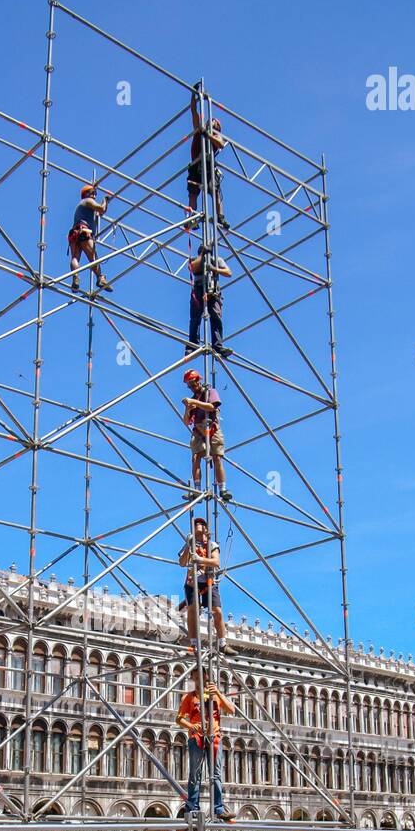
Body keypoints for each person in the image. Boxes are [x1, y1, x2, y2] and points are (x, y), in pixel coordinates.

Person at [176, 667, 236, 822]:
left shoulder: (215, 696)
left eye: (201, 677)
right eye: (195, 677)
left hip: (214, 736)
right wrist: (190, 726)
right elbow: (179, 718)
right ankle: (193, 807)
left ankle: (218, 808)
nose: (198, 680)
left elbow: (231, 710)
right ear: (193, 678)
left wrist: (218, 693)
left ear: (206, 676)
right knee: (195, 774)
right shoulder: (189, 697)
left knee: (215, 774)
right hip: (196, 737)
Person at [178, 515, 227, 652]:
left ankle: (222, 642)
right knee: (192, 610)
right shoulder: (190, 544)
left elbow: (216, 562)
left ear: (206, 529)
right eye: (196, 524)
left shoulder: (211, 544)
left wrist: (199, 559)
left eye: (201, 523)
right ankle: (193, 643)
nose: (198, 525)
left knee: (217, 610)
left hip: (209, 580)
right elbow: (182, 562)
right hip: (192, 581)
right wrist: (189, 545)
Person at [181, 368, 230, 502]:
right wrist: (188, 409)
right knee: (196, 457)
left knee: (217, 457)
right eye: (189, 385)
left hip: (212, 428)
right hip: (198, 430)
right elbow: (186, 422)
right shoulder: (193, 399)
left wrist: (195, 403)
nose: (191, 387)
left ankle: (223, 489)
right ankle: (197, 489)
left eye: (193, 384)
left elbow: (212, 407)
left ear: (198, 381)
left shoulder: (210, 392)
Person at [187, 85, 228, 230]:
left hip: (209, 167)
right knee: (193, 193)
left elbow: (221, 144)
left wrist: (209, 135)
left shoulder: (216, 138)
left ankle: (221, 218)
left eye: (216, 124)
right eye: (213, 121)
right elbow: (193, 111)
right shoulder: (199, 129)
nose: (214, 123)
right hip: (196, 165)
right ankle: (192, 218)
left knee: (215, 192)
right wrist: (194, 95)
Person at [68, 184, 113, 295]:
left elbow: (99, 213)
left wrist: (104, 205)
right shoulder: (87, 201)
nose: (94, 195)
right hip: (84, 232)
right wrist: (105, 201)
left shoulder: (83, 206)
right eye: (92, 193)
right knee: (93, 258)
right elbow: (101, 209)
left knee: (75, 258)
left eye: (95, 193)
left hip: (74, 233)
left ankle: (76, 277)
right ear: (86, 194)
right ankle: (100, 278)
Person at [187, 245, 231, 357]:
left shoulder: (216, 260)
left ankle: (218, 347)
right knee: (195, 318)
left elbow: (228, 273)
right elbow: (192, 268)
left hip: (213, 291)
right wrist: (202, 256)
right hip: (198, 289)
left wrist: (214, 269)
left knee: (216, 318)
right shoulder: (195, 260)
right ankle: (192, 346)